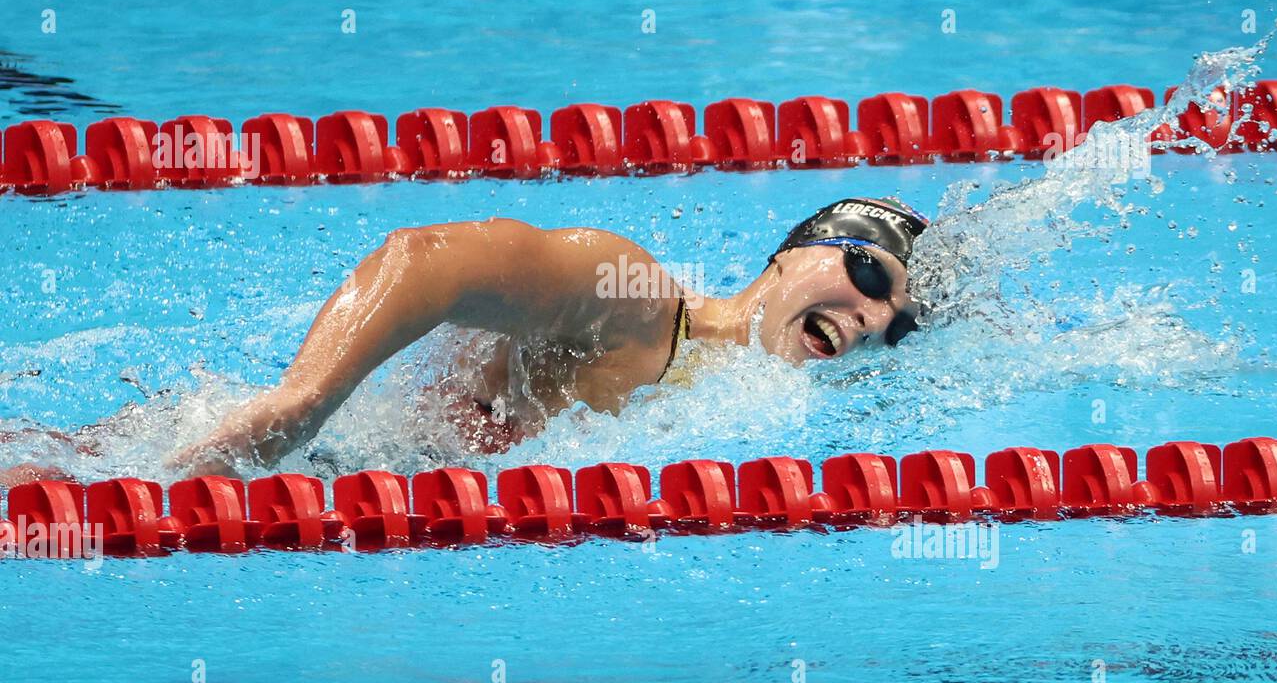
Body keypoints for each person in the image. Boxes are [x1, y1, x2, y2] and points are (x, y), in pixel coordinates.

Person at [0, 197, 927, 485]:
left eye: (899, 325)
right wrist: (300, 403)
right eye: (871, 274)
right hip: (311, 463)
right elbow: (428, 259)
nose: (873, 315)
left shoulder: (760, 422)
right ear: (797, 250)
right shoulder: (641, 304)